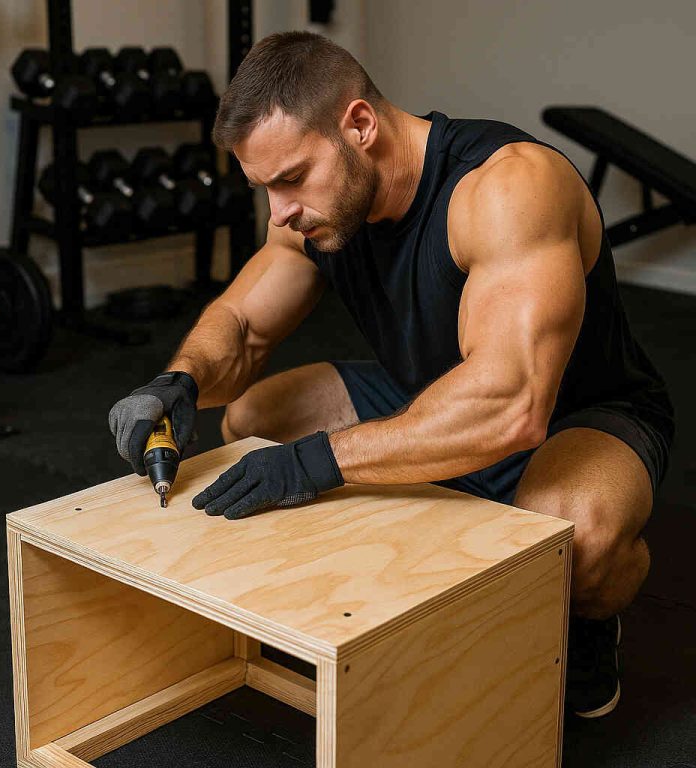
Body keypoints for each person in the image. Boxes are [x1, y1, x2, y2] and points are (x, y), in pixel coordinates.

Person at [109, 31, 674, 720]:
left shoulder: (506, 187)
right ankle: (383, 577)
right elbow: (246, 327)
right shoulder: (312, 214)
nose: (278, 212)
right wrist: (178, 382)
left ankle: (591, 622)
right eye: (263, 188)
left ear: (360, 125)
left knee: (574, 533)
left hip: (575, 415)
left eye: (289, 178)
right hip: (431, 394)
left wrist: (317, 464)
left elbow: (512, 407)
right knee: (257, 422)